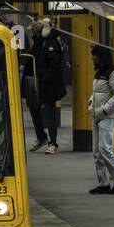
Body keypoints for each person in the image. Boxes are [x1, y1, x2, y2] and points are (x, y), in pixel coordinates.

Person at [88, 44, 114, 194]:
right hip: (97, 115)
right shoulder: (99, 72)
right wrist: (91, 105)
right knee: (97, 152)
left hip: (107, 116)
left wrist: (104, 109)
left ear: (101, 56)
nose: (92, 58)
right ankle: (103, 183)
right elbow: (96, 92)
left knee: (105, 148)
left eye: (94, 55)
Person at [34, 18, 67, 154]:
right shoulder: (44, 42)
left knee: (50, 114)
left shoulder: (51, 43)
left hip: (50, 86)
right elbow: (35, 51)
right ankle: (49, 140)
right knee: (46, 113)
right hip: (45, 84)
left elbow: (54, 64)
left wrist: (45, 80)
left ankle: (53, 142)